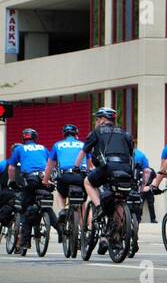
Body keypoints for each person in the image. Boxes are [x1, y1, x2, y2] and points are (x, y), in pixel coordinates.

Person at [81, 107, 136, 251]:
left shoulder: (96, 132)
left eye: (97, 119)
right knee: (120, 201)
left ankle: (98, 206)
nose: (96, 122)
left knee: (87, 182)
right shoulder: (125, 133)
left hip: (107, 169)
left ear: (102, 120)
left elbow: (83, 152)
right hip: (125, 170)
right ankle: (116, 237)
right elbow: (132, 153)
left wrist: (76, 167)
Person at [7, 128, 51, 239]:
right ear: (35, 138)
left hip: (30, 180)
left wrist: (12, 181)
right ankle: (60, 230)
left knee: (25, 208)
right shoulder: (43, 148)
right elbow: (51, 163)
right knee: (46, 205)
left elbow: (11, 168)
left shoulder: (20, 149)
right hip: (44, 179)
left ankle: (25, 241)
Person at [46, 124, 87, 239]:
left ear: (64, 134)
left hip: (65, 177)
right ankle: (84, 230)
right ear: (76, 134)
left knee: (60, 193)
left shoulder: (57, 145)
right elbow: (90, 165)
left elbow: (50, 165)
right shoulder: (83, 145)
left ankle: (63, 210)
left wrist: (45, 180)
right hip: (80, 177)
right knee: (82, 203)